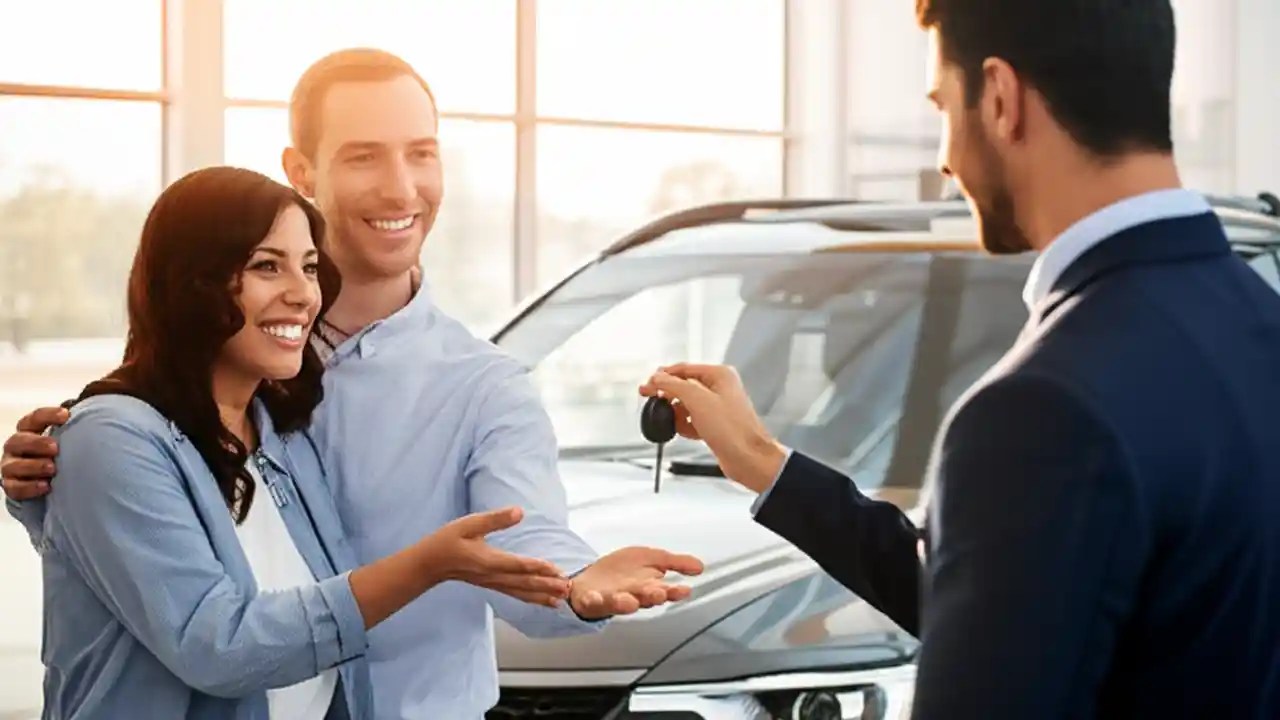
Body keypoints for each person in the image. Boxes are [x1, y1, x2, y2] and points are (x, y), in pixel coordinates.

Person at [2, 50, 703, 718]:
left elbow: (524, 545)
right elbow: (182, 576)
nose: (401, 187)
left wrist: (577, 589)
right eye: (365, 155)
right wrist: (60, 487)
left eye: (422, 153)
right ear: (300, 169)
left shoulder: (483, 386)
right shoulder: (233, 380)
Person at [639, 1, 1280, 718]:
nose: (944, 158)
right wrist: (764, 461)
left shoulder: (1041, 407)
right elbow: (1024, 599)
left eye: (943, 106)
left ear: (1001, 99)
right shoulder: (1259, 323)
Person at [34, 165, 574, 719]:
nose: (303, 294)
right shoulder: (111, 438)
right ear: (191, 282)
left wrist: (575, 580)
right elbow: (220, 646)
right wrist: (427, 565)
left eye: (310, 267)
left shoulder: (277, 431)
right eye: (267, 266)